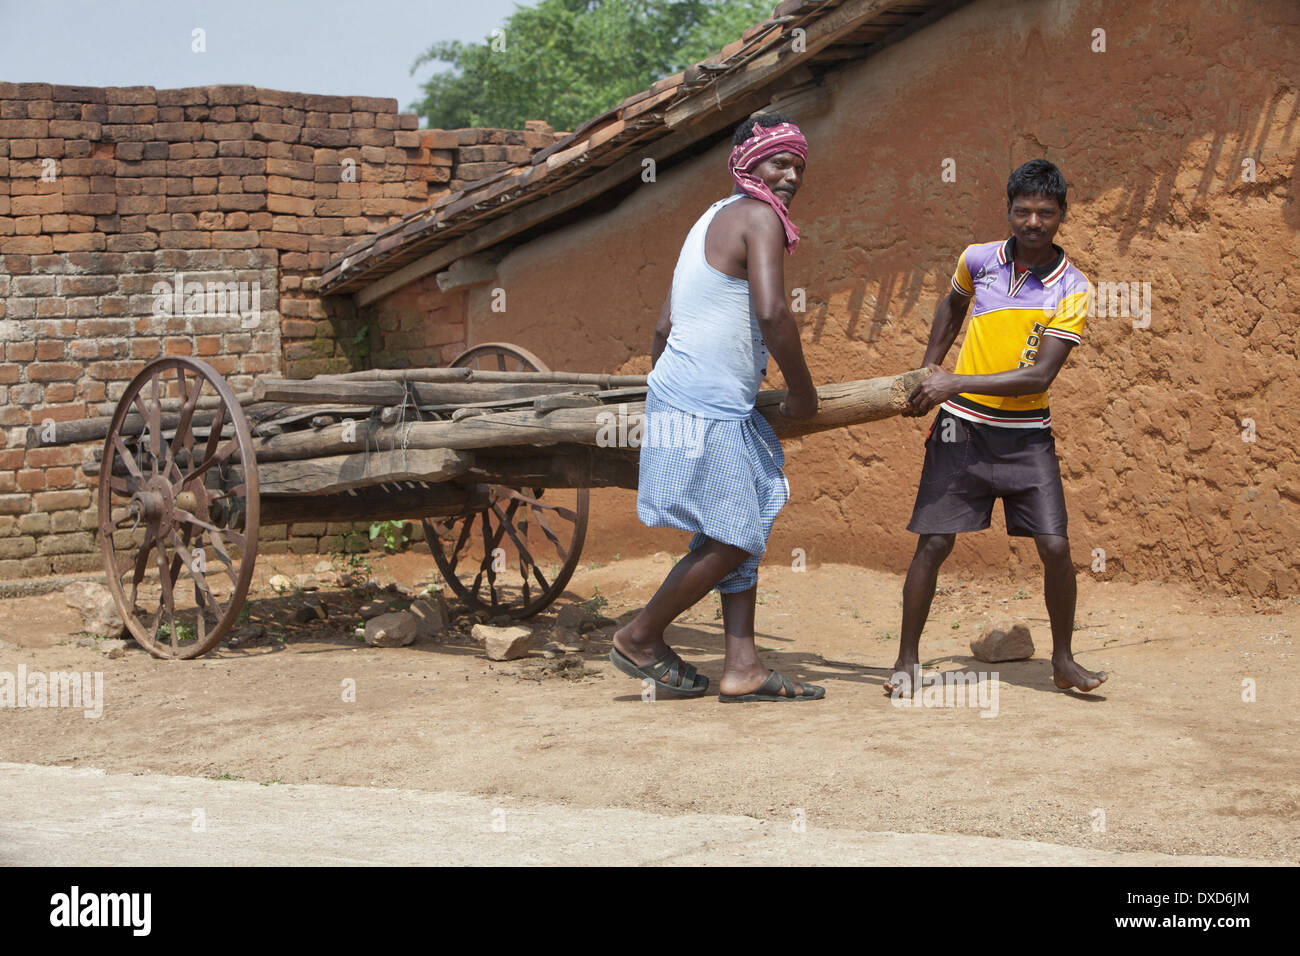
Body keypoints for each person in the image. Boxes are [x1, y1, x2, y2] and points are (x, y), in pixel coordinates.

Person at [609, 113, 824, 702]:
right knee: (733, 535)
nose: (790, 175)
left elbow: (664, 323)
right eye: (779, 161)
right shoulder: (758, 219)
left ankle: (742, 665)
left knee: (736, 523)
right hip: (706, 401)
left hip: (692, 394)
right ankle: (641, 635)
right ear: (746, 162)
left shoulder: (709, 218)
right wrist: (802, 390)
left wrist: (664, 386)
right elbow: (773, 312)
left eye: (798, 166)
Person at [886, 159, 1108, 697]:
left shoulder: (1072, 288)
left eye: (1046, 213)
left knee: (1055, 546)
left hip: (1026, 435)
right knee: (934, 542)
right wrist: (928, 368)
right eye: (1023, 211)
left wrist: (952, 382)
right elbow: (953, 303)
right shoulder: (977, 259)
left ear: (1062, 216)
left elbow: (1041, 372)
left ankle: (1063, 660)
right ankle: (906, 660)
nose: (1033, 222)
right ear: (1007, 211)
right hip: (960, 431)